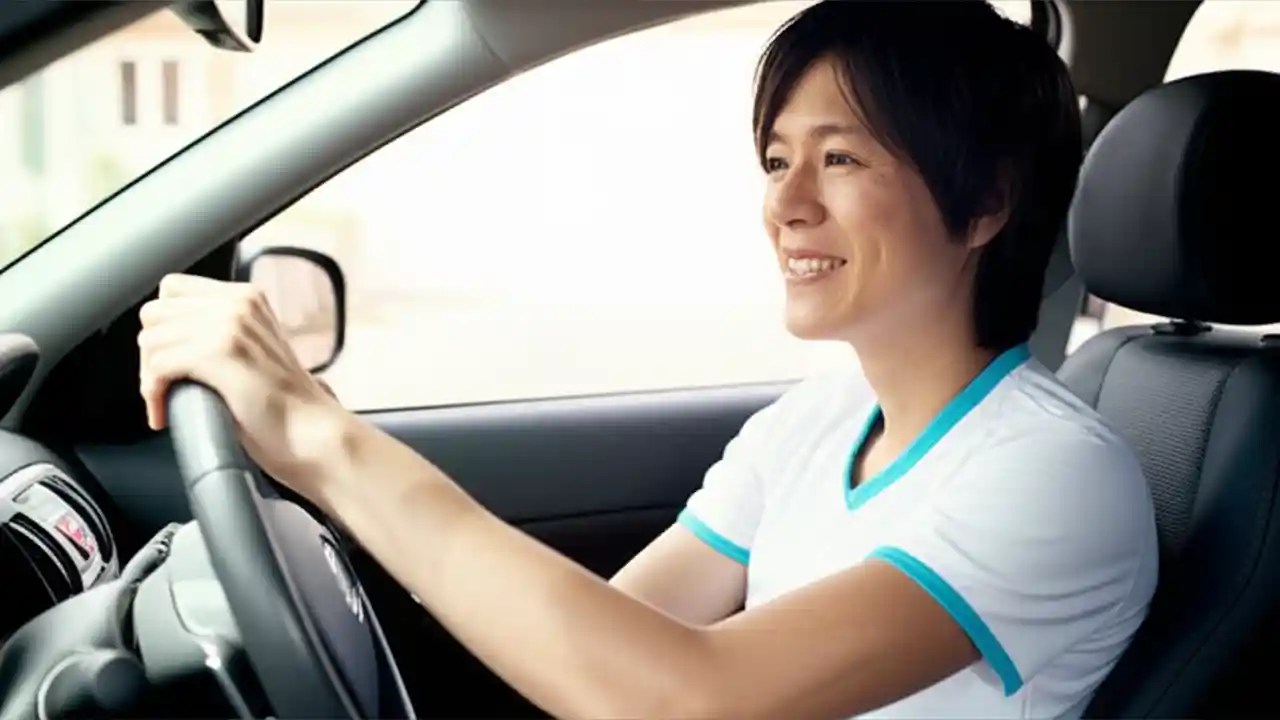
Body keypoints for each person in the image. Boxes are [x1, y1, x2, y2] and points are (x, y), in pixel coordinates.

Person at [136, 1, 1158, 717]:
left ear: (983, 203)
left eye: (838, 157)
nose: (784, 201)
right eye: (773, 159)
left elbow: (689, 696)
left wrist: (326, 443)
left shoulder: (1049, 472)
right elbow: (605, 645)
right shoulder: (809, 425)